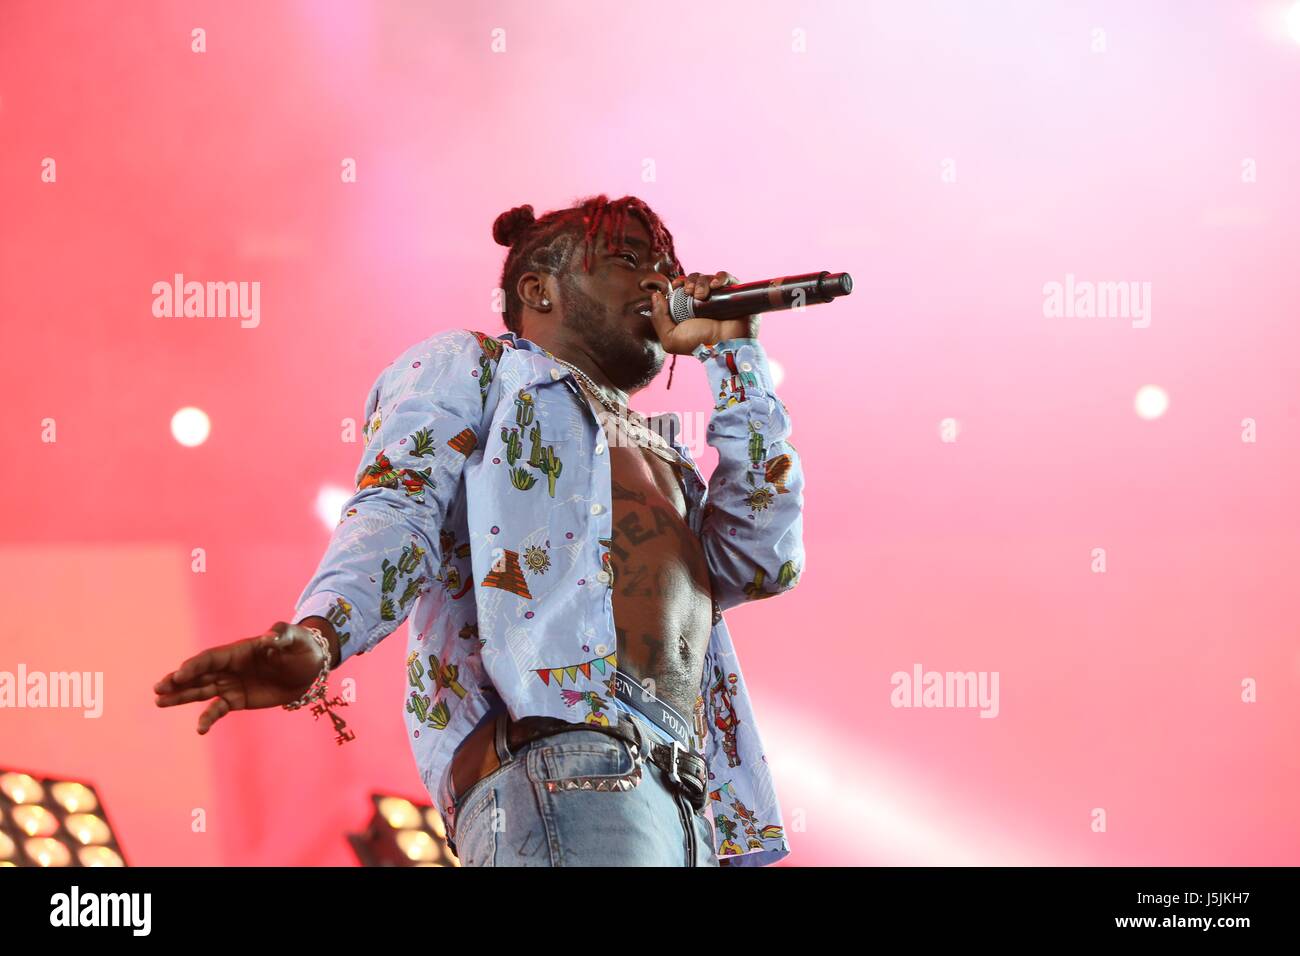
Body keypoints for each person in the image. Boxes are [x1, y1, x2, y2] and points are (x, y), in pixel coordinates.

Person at [153, 194, 805, 866]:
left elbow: (764, 560)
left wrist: (735, 363)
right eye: (627, 260)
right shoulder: (481, 368)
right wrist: (322, 632)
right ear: (538, 289)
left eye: (667, 267)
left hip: (685, 798)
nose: (658, 282)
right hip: (568, 764)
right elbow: (398, 506)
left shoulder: (662, 453)